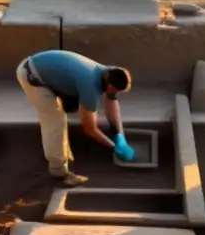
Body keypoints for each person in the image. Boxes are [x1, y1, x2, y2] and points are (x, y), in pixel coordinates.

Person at [16, 50, 135, 187]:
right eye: (115, 91)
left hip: (44, 67)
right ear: (110, 85)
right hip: (32, 76)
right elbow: (89, 128)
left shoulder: (108, 72)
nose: (114, 94)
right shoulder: (90, 85)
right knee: (55, 120)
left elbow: (111, 102)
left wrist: (120, 136)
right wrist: (112, 146)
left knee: (75, 106)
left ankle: (63, 151)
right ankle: (59, 171)